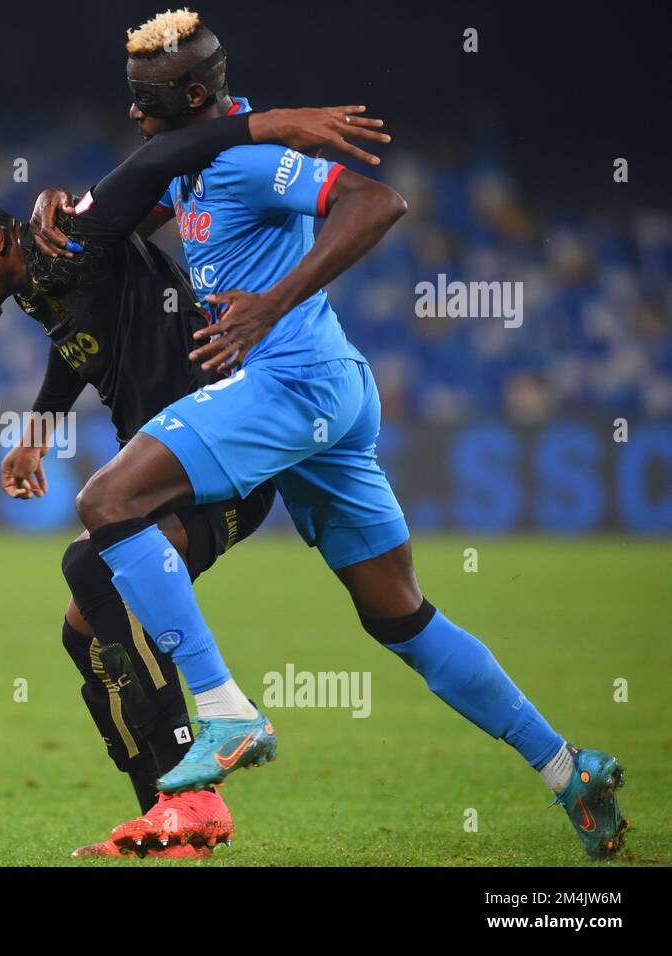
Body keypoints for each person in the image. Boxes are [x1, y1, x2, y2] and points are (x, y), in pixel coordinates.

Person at [34, 7, 627, 860]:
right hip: (337, 392)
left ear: (195, 95)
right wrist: (70, 205)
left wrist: (267, 308)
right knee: (402, 619)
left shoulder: (241, 160)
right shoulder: (199, 159)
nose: (134, 112)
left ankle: (226, 711)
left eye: (146, 99)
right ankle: (571, 770)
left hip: (290, 382)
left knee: (108, 499)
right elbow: (130, 203)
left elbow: (377, 200)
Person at [0, 102, 390, 857]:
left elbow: (159, 161)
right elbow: (79, 345)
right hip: (168, 469)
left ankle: (191, 812)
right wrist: (38, 432)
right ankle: (162, 818)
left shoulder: (77, 231)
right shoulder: (37, 280)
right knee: (86, 634)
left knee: (93, 574)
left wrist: (271, 125)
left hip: (220, 458)